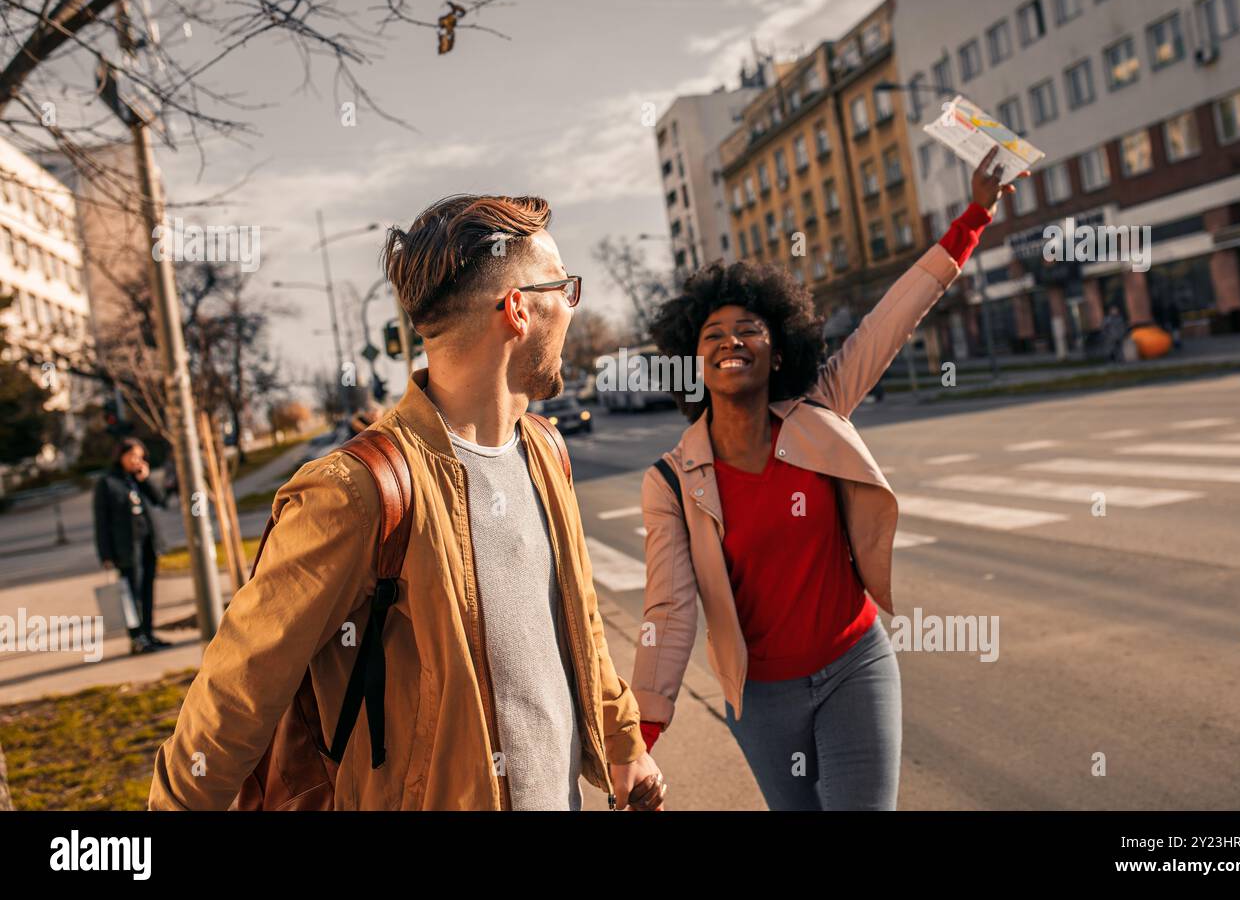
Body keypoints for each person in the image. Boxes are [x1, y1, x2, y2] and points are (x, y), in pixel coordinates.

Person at [150, 194, 664, 811]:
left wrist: (623, 744)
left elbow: (578, 619)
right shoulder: (358, 490)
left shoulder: (545, 450)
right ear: (518, 309)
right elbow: (239, 686)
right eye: (565, 289)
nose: (574, 310)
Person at [633, 147, 1025, 810]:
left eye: (748, 329)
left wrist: (976, 214)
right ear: (692, 361)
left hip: (855, 666)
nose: (731, 341)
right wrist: (641, 738)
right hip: (759, 699)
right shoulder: (671, 483)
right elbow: (669, 612)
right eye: (712, 334)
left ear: (778, 348)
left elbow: (891, 319)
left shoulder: (817, 411)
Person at [93, 437, 171, 655]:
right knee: (132, 593)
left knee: (147, 590)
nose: (137, 461)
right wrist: (105, 554)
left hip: (148, 543)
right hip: (126, 548)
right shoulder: (108, 483)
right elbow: (101, 522)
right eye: (132, 456)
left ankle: (149, 632)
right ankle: (137, 638)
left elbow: (160, 501)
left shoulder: (139, 480)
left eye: (140, 456)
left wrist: (146, 480)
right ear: (121, 456)